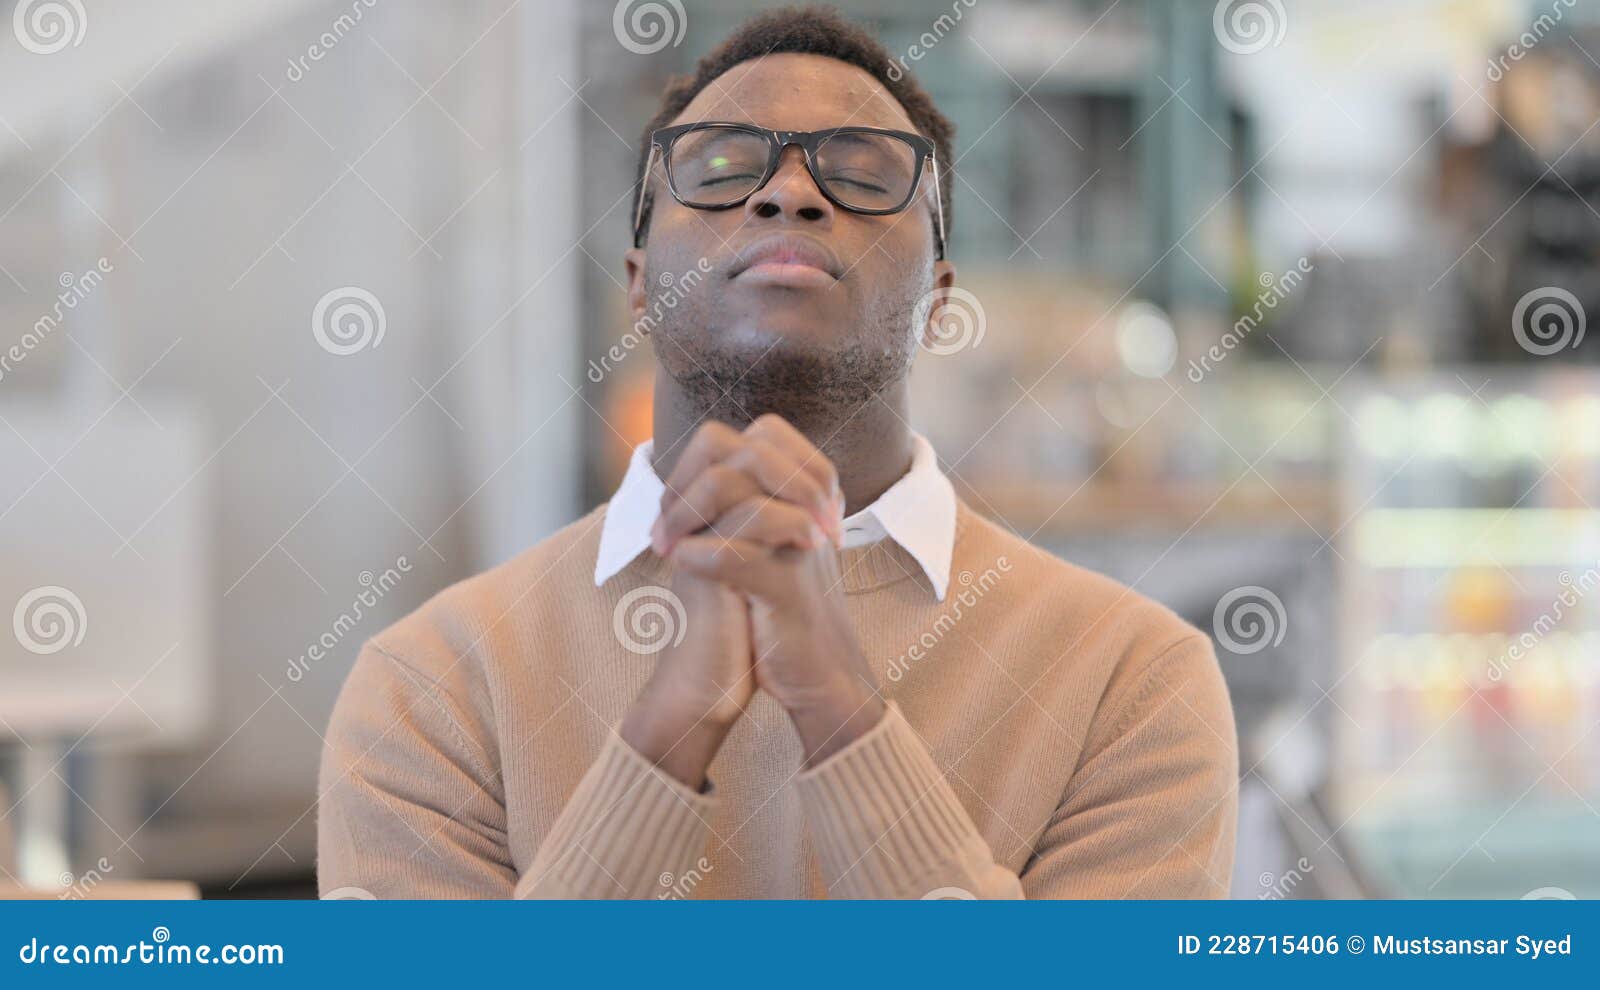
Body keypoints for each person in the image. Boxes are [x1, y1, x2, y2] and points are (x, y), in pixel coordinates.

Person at [317, 6, 1237, 899]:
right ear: (638, 288)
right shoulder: (431, 686)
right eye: (718, 166)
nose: (788, 191)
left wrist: (839, 704)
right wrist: (670, 729)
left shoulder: (1135, 684)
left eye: (865, 172)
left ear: (940, 300)